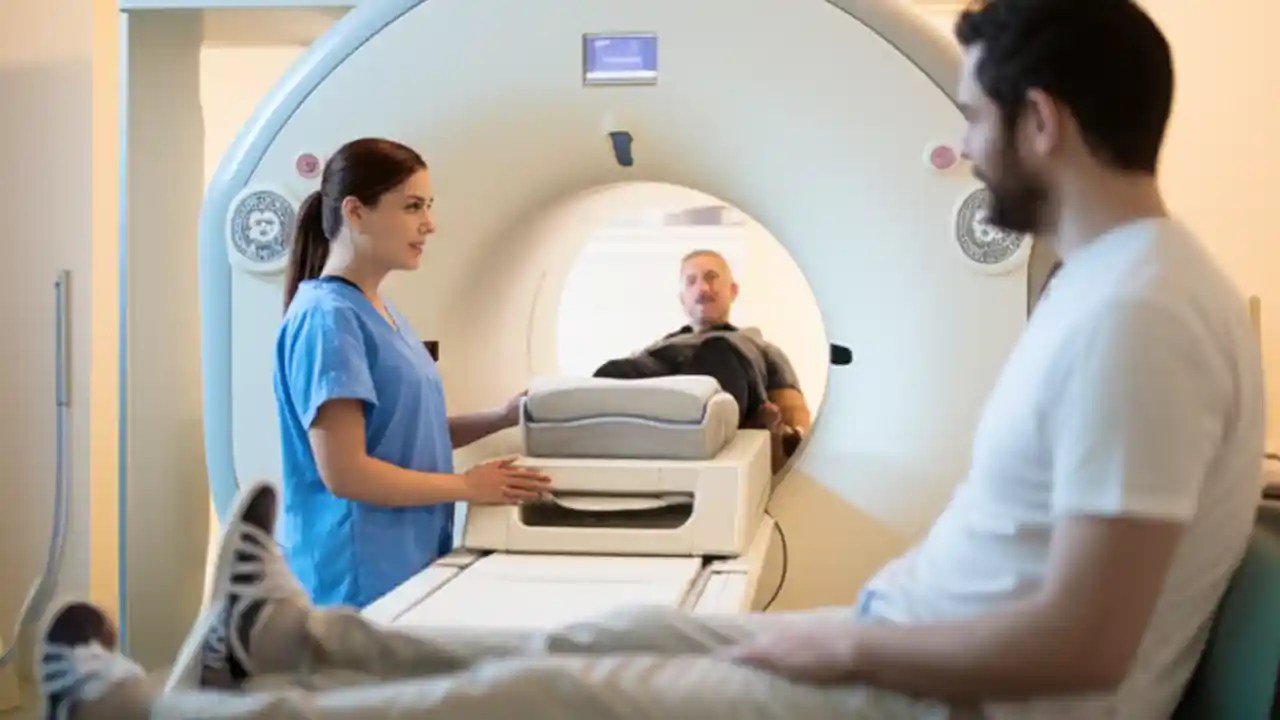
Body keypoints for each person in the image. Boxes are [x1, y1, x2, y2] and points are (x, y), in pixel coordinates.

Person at [36, 0, 1266, 717]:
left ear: (1039, 123)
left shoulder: (1138, 317)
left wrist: (841, 641)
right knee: (605, 631)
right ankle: (294, 644)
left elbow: (1085, 648)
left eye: (977, 117)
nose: (967, 142)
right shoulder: (1116, 295)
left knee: (573, 692)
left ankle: (150, 709)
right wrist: (853, 632)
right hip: (903, 656)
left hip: (928, 696)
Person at [272, 138, 551, 610]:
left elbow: (401, 436)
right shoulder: (327, 318)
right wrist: (468, 486)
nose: (430, 224)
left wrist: (501, 417)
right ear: (356, 213)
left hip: (405, 561)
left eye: (429, 206)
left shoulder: (382, 311)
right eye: (413, 207)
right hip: (354, 577)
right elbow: (346, 473)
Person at [594, 249, 813, 471]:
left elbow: (798, 431)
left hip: (722, 384)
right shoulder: (654, 349)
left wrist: (779, 436)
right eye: (691, 282)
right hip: (660, 400)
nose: (703, 288)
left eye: (712, 278)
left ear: (733, 290)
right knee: (616, 370)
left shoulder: (759, 346)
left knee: (717, 353)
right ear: (682, 299)